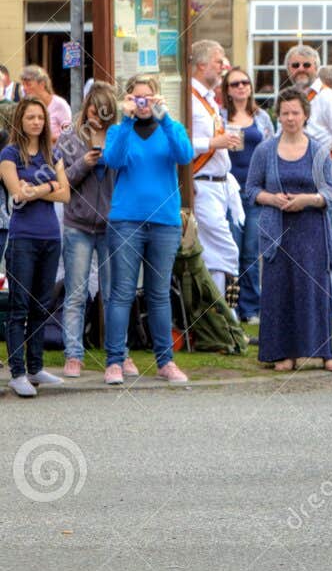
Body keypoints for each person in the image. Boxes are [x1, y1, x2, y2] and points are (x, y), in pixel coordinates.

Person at [103, 74, 195, 385]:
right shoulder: (119, 130)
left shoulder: (172, 128)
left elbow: (184, 156)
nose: (143, 103)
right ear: (129, 100)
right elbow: (112, 160)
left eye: (148, 97)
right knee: (122, 293)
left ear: (157, 98)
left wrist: (165, 117)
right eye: (137, 98)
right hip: (126, 220)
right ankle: (115, 360)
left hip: (165, 222)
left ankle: (165, 361)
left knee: (158, 295)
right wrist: (126, 120)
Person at [248, 87, 332, 373]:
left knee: (314, 289)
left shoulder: (318, 151)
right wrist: (272, 199)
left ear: (305, 115)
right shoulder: (265, 150)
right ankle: (282, 353)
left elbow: (331, 192)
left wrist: (308, 200)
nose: (290, 118)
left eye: (295, 113)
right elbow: (251, 189)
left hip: (312, 231)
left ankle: (325, 354)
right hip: (278, 231)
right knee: (280, 291)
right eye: (285, 113)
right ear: (278, 115)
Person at [284, 45, 332, 329]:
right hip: (303, 191)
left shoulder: (327, 98)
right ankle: (316, 311)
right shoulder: (289, 100)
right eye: (295, 65)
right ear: (288, 70)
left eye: (307, 64)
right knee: (310, 253)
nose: (301, 70)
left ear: (316, 67)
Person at [1, 96, 68, 396]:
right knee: (20, 307)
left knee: (43, 304)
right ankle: (17, 372)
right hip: (23, 238)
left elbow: (65, 195)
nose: (36, 122)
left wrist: (40, 189)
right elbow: (17, 194)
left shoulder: (52, 153)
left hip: (50, 237)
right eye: (30, 117)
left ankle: (36, 366)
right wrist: (50, 186)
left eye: (40, 117)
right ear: (20, 120)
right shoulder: (9, 154)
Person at [56, 85, 122, 378]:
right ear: (86, 107)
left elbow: (129, 176)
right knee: (76, 293)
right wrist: (83, 163)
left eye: (102, 112)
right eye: (93, 110)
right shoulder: (70, 139)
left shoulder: (119, 137)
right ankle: (73, 355)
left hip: (112, 225)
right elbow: (61, 182)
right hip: (78, 225)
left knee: (113, 294)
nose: (96, 117)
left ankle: (118, 356)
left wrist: (113, 158)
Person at [185, 40, 242, 301]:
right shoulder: (187, 98)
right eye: (219, 62)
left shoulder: (209, 99)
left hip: (220, 184)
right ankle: (223, 319)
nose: (224, 67)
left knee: (215, 252)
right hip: (202, 183)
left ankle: (219, 321)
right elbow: (179, 142)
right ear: (201, 64)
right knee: (225, 251)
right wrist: (211, 143)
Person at [222, 68, 275, 324]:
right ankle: (229, 307)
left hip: (255, 191)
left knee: (252, 252)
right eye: (235, 84)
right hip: (229, 190)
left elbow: (273, 149)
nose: (241, 87)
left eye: (245, 82)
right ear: (227, 89)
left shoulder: (261, 116)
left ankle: (251, 308)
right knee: (231, 249)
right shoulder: (220, 116)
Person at [19, 65, 72, 138]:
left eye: (28, 85)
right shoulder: (27, 105)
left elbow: (69, 135)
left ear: (42, 84)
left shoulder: (59, 104)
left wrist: (45, 139)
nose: (24, 88)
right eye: (23, 85)